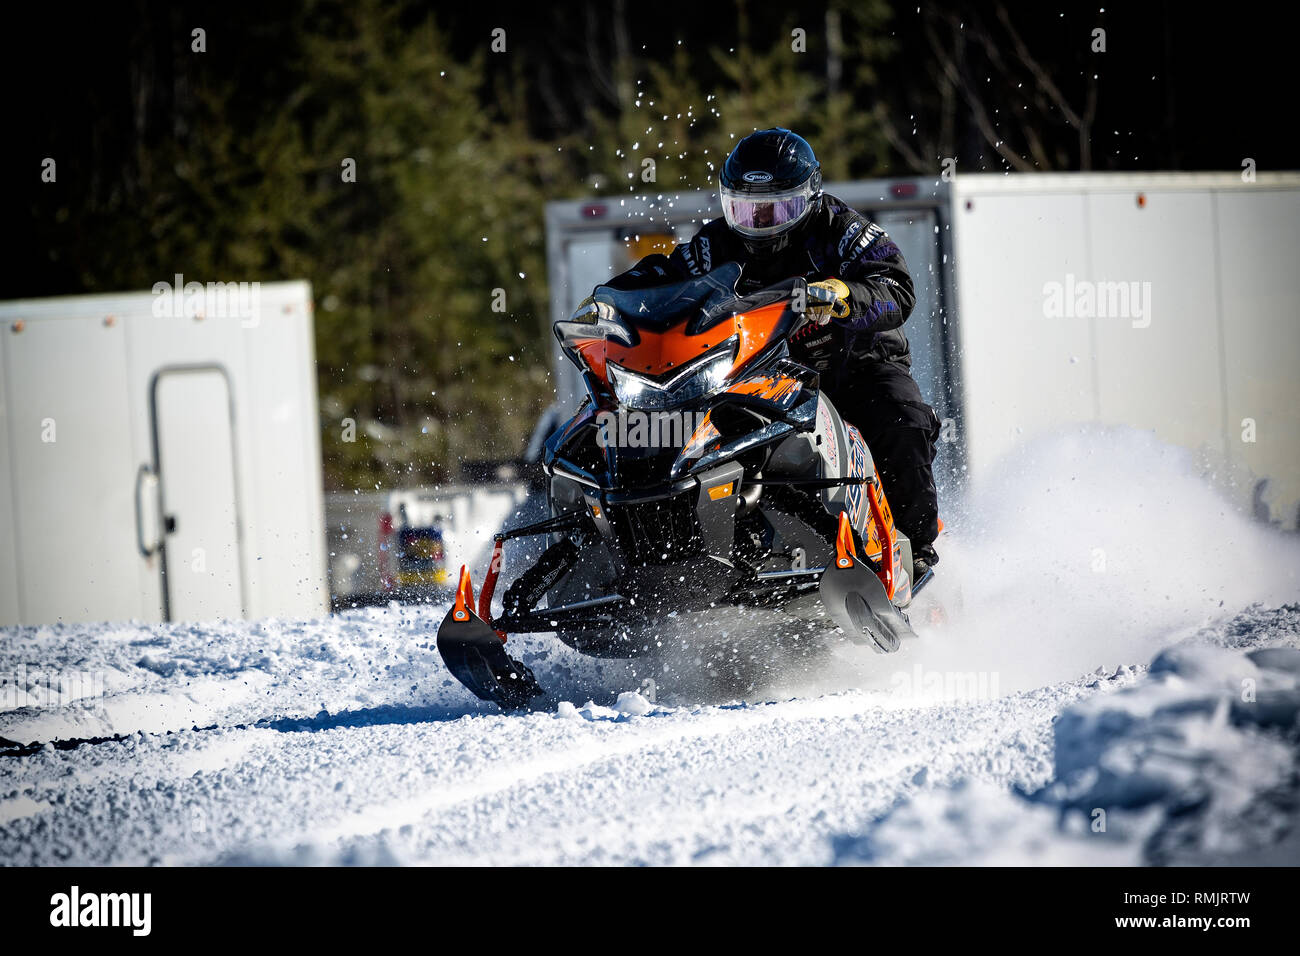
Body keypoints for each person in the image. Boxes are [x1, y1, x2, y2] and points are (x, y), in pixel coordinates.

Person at [579, 127, 940, 581]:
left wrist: (842, 294)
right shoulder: (716, 243)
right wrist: (609, 298)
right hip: (759, 372)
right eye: (745, 210)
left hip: (855, 367)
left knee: (901, 415)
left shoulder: (844, 230)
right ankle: (655, 548)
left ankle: (917, 550)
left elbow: (897, 290)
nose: (759, 223)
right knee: (646, 425)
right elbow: (666, 274)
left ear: (808, 198)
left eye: (775, 209)